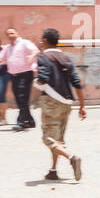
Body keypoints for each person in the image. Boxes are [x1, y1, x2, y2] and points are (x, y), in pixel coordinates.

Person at [33, 28, 86, 181]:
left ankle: (72, 158)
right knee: (58, 139)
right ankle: (53, 170)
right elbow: (77, 83)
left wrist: (36, 81)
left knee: (48, 138)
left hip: (51, 102)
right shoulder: (66, 58)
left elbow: (42, 78)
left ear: (44, 40)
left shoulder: (44, 56)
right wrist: (82, 106)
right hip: (67, 103)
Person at [3, 26, 39, 130]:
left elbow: (35, 50)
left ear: (17, 33)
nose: (10, 36)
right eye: (8, 34)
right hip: (13, 76)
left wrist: (32, 56)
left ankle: (21, 122)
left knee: (23, 97)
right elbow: (0, 59)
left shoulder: (24, 43)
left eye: (12, 33)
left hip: (25, 74)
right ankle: (30, 121)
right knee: (19, 99)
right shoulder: (8, 47)